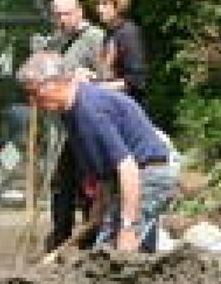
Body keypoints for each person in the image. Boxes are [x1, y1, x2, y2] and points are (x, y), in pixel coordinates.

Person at [17, 51, 177, 254]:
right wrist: (99, 208)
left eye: (34, 92)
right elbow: (105, 168)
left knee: (111, 255)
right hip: (128, 178)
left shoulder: (89, 109)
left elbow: (127, 168)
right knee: (126, 250)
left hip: (147, 175)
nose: (33, 101)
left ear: (53, 83)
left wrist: (127, 227)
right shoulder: (70, 111)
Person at [43, 0, 106, 252]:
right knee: (60, 189)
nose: (62, 19)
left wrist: (87, 78)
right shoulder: (56, 42)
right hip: (59, 129)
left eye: (66, 14)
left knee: (87, 188)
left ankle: (88, 245)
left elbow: (106, 78)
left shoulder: (95, 39)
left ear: (80, 11)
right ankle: (60, 243)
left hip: (85, 127)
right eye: (57, 14)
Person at [94, 0, 148, 103]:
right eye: (98, 4)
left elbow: (137, 79)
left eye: (104, 4)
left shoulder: (128, 33)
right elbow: (110, 73)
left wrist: (99, 88)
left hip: (127, 107)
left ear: (118, 6)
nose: (99, 9)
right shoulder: (110, 33)